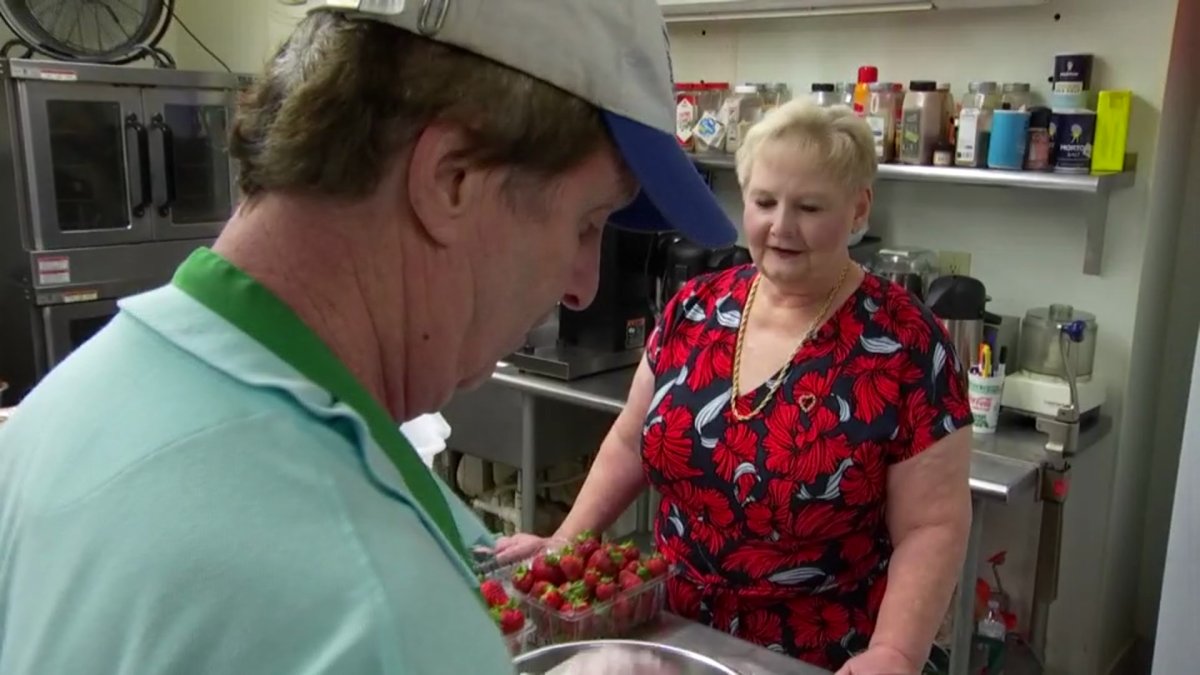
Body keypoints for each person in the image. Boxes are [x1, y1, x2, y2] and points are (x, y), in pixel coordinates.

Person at [0, 2, 736, 673]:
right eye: (586, 224)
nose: (584, 286)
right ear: (452, 178)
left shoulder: (60, 410)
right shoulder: (375, 609)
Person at [497, 102, 974, 674]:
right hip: (672, 635)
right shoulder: (696, 308)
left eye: (809, 207)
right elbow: (629, 443)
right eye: (764, 202)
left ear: (858, 208)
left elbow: (931, 525)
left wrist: (894, 652)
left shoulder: (906, 342)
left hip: (822, 656)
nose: (781, 227)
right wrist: (565, 544)